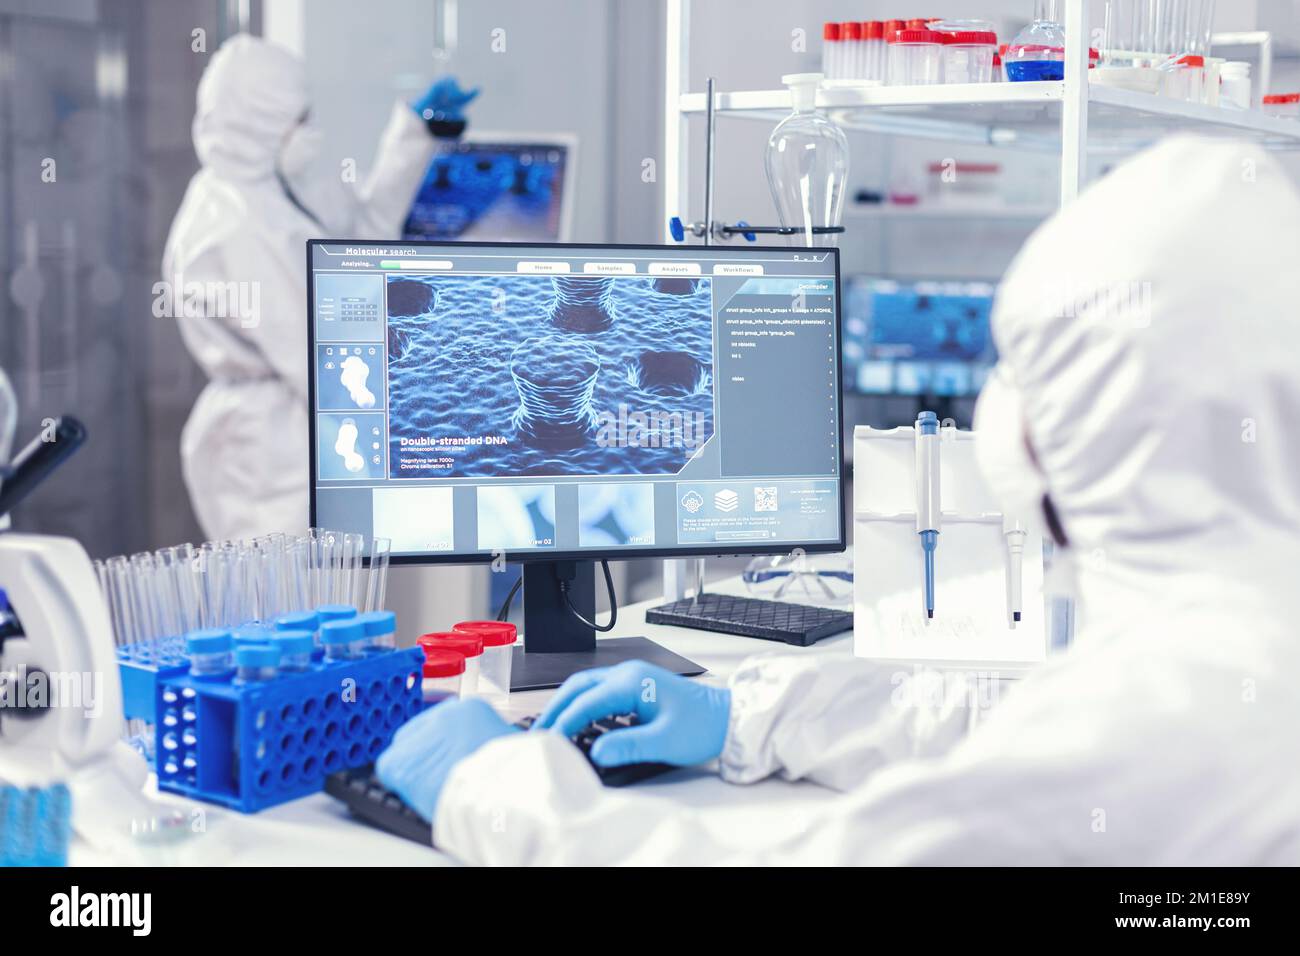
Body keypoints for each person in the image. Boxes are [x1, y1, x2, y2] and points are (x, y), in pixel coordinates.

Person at [378, 135, 1300, 865]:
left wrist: (491, 789)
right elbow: (1000, 720)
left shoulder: (1157, 719)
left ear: (1108, 419)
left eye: (1032, 370)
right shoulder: (1228, 643)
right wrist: (751, 718)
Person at [162, 35, 475, 542]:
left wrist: (417, 133)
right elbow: (319, 353)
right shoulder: (233, 225)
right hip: (269, 455)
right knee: (283, 606)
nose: (310, 130)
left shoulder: (278, 189)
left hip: (302, 428)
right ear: (263, 124)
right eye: (300, 119)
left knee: (326, 600)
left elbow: (362, 236)